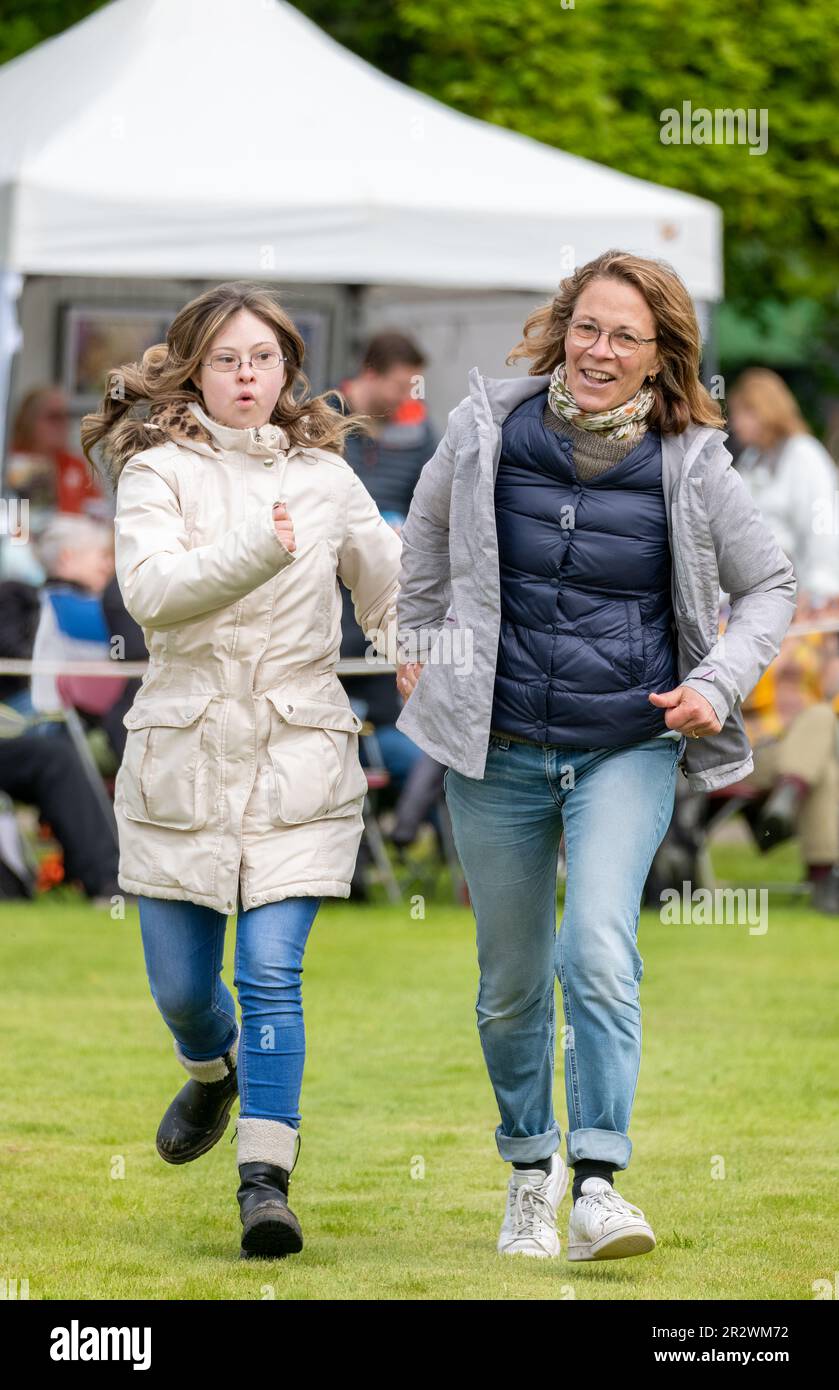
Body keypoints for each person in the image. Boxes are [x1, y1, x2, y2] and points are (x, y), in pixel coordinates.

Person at [395, 250, 796, 1262]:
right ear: (559, 326)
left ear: (661, 355)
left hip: (627, 741)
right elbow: (428, 536)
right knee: (510, 981)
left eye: (624, 335)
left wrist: (711, 684)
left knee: (598, 950)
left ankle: (597, 1188)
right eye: (586, 326)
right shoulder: (486, 426)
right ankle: (528, 1173)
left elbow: (769, 586)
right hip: (495, 746)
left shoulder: (693, 462)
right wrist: (418, 639)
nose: (598, 350)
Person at [81, 281, 402, 1261]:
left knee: (271, 972)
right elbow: (153, 595)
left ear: (287, 369)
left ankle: (265, 1182)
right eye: (225, 358)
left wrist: (430, 658)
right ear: (192, 369)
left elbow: (387, 592)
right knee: (184, 988)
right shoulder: (155, 471)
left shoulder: (325, 475)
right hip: (182, 756)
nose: (246, 375)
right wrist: (260, 546)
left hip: (301, 753)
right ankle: (208, 1067)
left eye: (262, 358)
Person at [728, 367, 839, 606]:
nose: (735, 423)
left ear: (764, 411)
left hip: (800, 601)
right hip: (757, 599)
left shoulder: (803, 454)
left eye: (743, 413)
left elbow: (822, 528)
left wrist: (820, 592)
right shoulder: (752, 459)